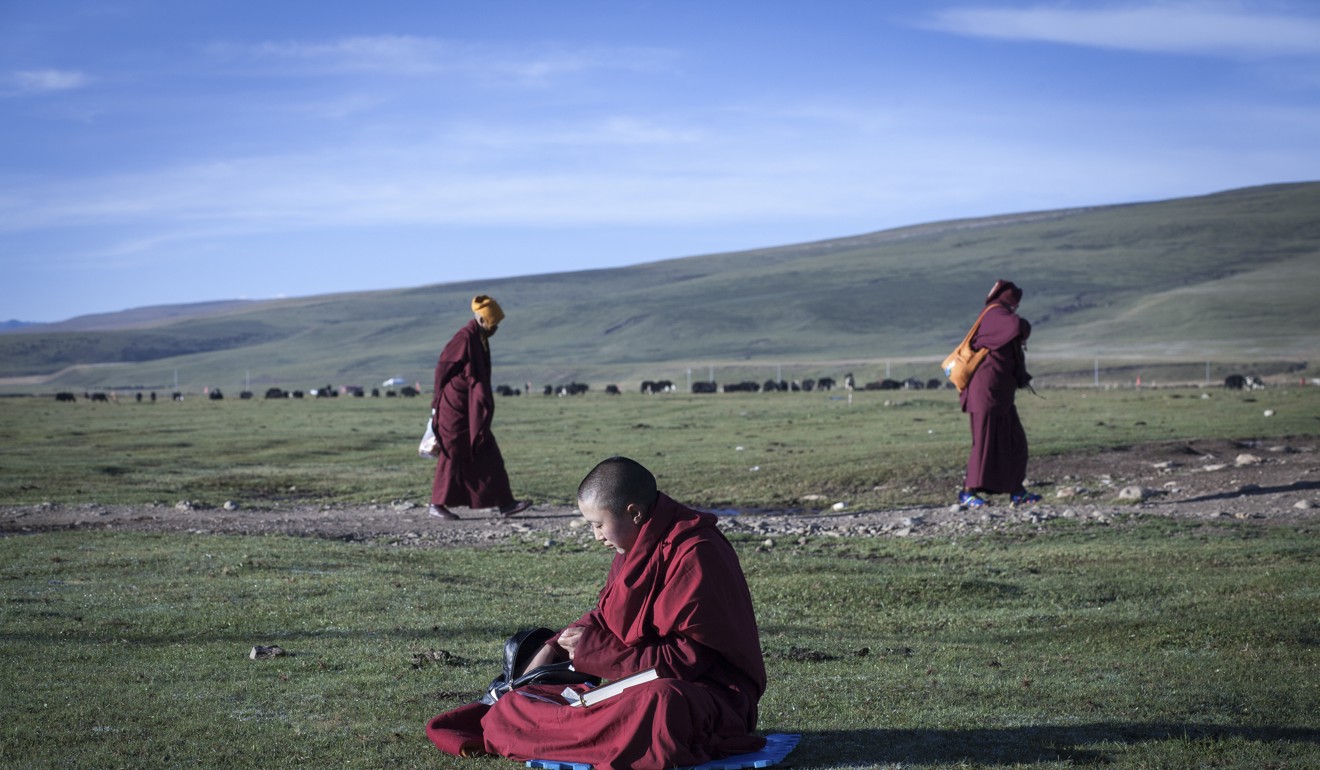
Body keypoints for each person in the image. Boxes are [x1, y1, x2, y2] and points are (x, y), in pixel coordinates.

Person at [425, 457, 767, 770]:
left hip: (709, 696)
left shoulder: (696, 552)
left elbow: (687, 661)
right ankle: (531, 719)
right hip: (636, 682)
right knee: (518, 705)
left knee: (660, 705)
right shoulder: (636, 545)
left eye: (598, 524)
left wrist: (594, 652)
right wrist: (557, 644)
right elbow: (607, 615)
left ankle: (549, 731)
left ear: (633, 513)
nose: (595, 536)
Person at [428, 295, 531, 520]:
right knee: (452, 454)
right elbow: (443, 369)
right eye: (494, 325)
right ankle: (436, 503)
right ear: (483, 321)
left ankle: (506, 503)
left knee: (486, 451)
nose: (496, 329)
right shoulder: (464, 338)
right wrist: (436, 403)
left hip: (471, 410)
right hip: (454, 409)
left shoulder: (480, 338)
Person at [959, 279, 1041, 507]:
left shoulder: (998, 316)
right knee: (984, 442)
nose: (1016, 305)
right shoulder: (995, 314)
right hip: (985, 393)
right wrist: (1023, 329)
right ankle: (968, 492)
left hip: (999, 394)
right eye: (1014, 299)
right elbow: (1017, 327)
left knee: (1014, 441)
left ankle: (1016, 490)